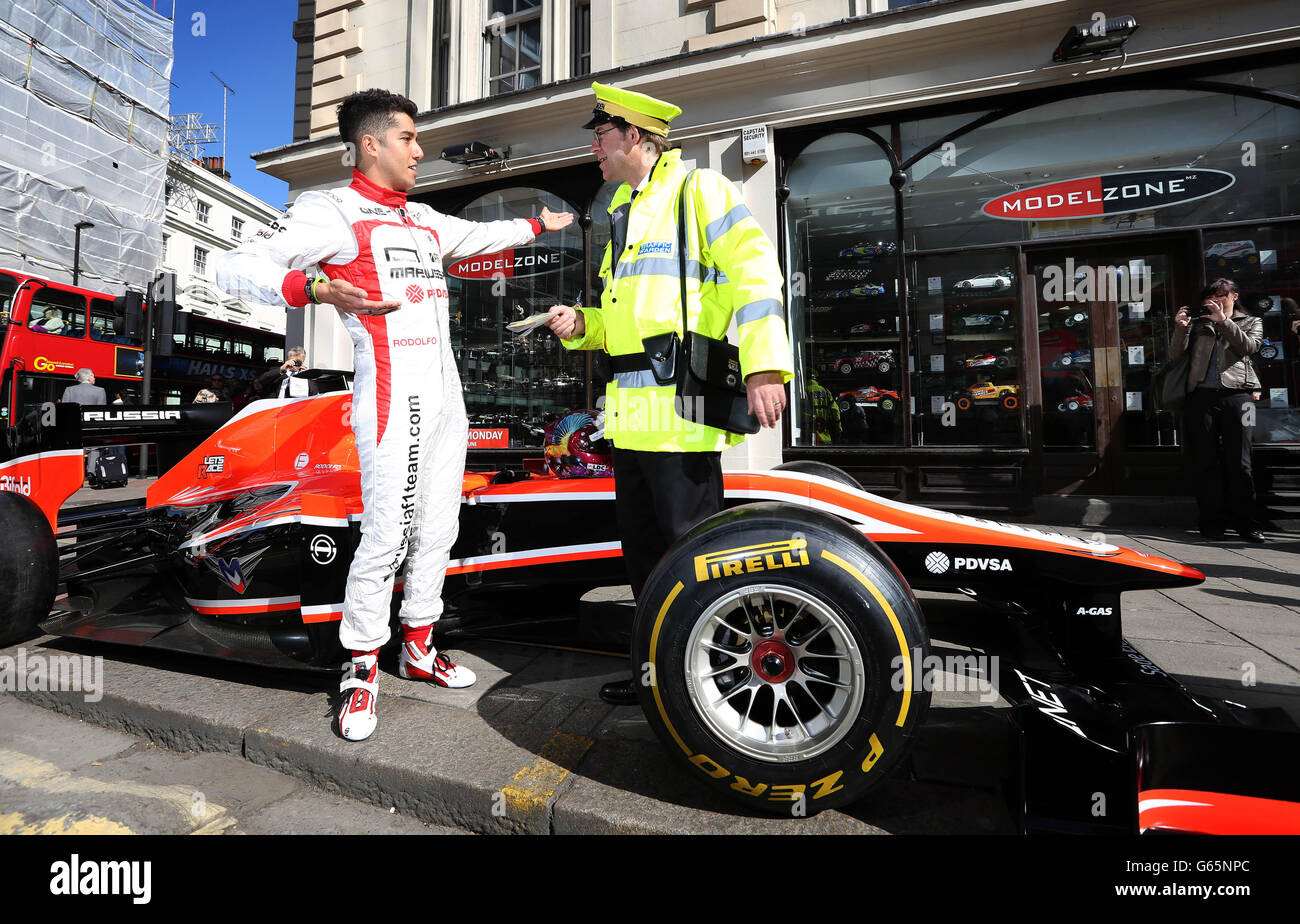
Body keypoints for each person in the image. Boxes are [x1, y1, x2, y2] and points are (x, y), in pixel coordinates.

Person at [217, 88, 573, 741]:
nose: (419, 149)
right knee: (387, 536)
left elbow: (480, 234)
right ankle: (359, 671)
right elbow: (232, 270)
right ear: (371, 144)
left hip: (446, 397)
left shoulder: (422, 219)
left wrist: (535, 228)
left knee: (437, 530)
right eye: (407, 138)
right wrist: (316, 287)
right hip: (390, 398)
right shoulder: (331, 212)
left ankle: (417, 649)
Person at [544, 82, 792, 705]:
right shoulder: (620, 210)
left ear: (634, 135)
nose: (594, 150)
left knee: (699, 565)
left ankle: (726, 677)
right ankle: (659, 673)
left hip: (682, 421)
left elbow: (756, 272)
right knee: (647, 565)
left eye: (601, 137)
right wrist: (582, 327)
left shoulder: (699, 188)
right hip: (629, 427)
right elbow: (620, 324)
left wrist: (765, 364)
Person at [1170, 278, 1265, 543]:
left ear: (1235, 296)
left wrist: (1223, 321)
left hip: (1239, 396)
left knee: (1241, 463)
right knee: (1206, 462)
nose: (1215, 301)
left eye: (1221, 296)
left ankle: (1247, 525)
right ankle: (1212, 523)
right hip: (1201, 396)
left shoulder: (1251, 321)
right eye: (1211, 296)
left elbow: (1249, 347)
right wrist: (1181, 329)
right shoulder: (1199, 323)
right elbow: (1175, 354)